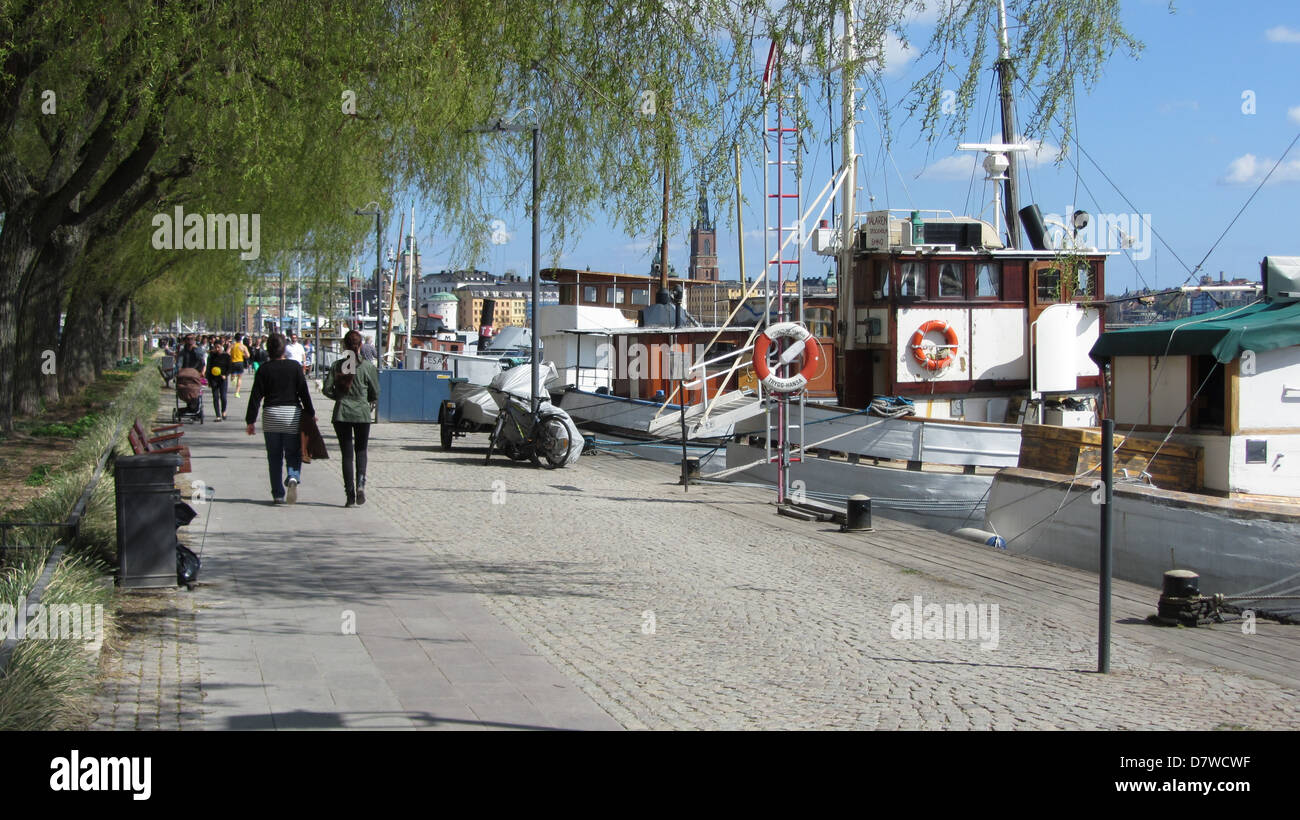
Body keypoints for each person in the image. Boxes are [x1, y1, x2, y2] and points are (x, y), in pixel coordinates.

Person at [245, 333, 316, 504]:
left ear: (268, 349)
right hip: (291, 415)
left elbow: (255, 397)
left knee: (274, 456)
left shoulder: (264, 369)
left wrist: (250, 421)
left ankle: (277, 493)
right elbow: (304, 393)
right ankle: (293, 476)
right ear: (284, 348)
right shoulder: (295, 367)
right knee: (293, 451)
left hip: (271, 415)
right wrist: (311, 414)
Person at [323, 330, 380, 507]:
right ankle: (361, 486)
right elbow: (375, 392)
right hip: (362, 413)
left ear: (344, 346)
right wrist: (366, 399)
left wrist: (339, 398)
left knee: (347, 455)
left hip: (342, 413)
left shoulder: (337, 366)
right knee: (361, 451)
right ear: (360, 346)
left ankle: (349, 495)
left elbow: (326, 389)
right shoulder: (367, 367)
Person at [205, 340, 232, 421]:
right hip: (214, 379)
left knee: (223, 397)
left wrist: (226, 375)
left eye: (218, 347)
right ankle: (218, 415)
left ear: (221, 346)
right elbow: (208, 368)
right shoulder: (212, 356)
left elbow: (230, 367)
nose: (217, 349)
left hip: (223, 379)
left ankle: (223, 411)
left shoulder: (226, 356)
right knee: (215, 397)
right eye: (215, 347)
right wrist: (208, 380)